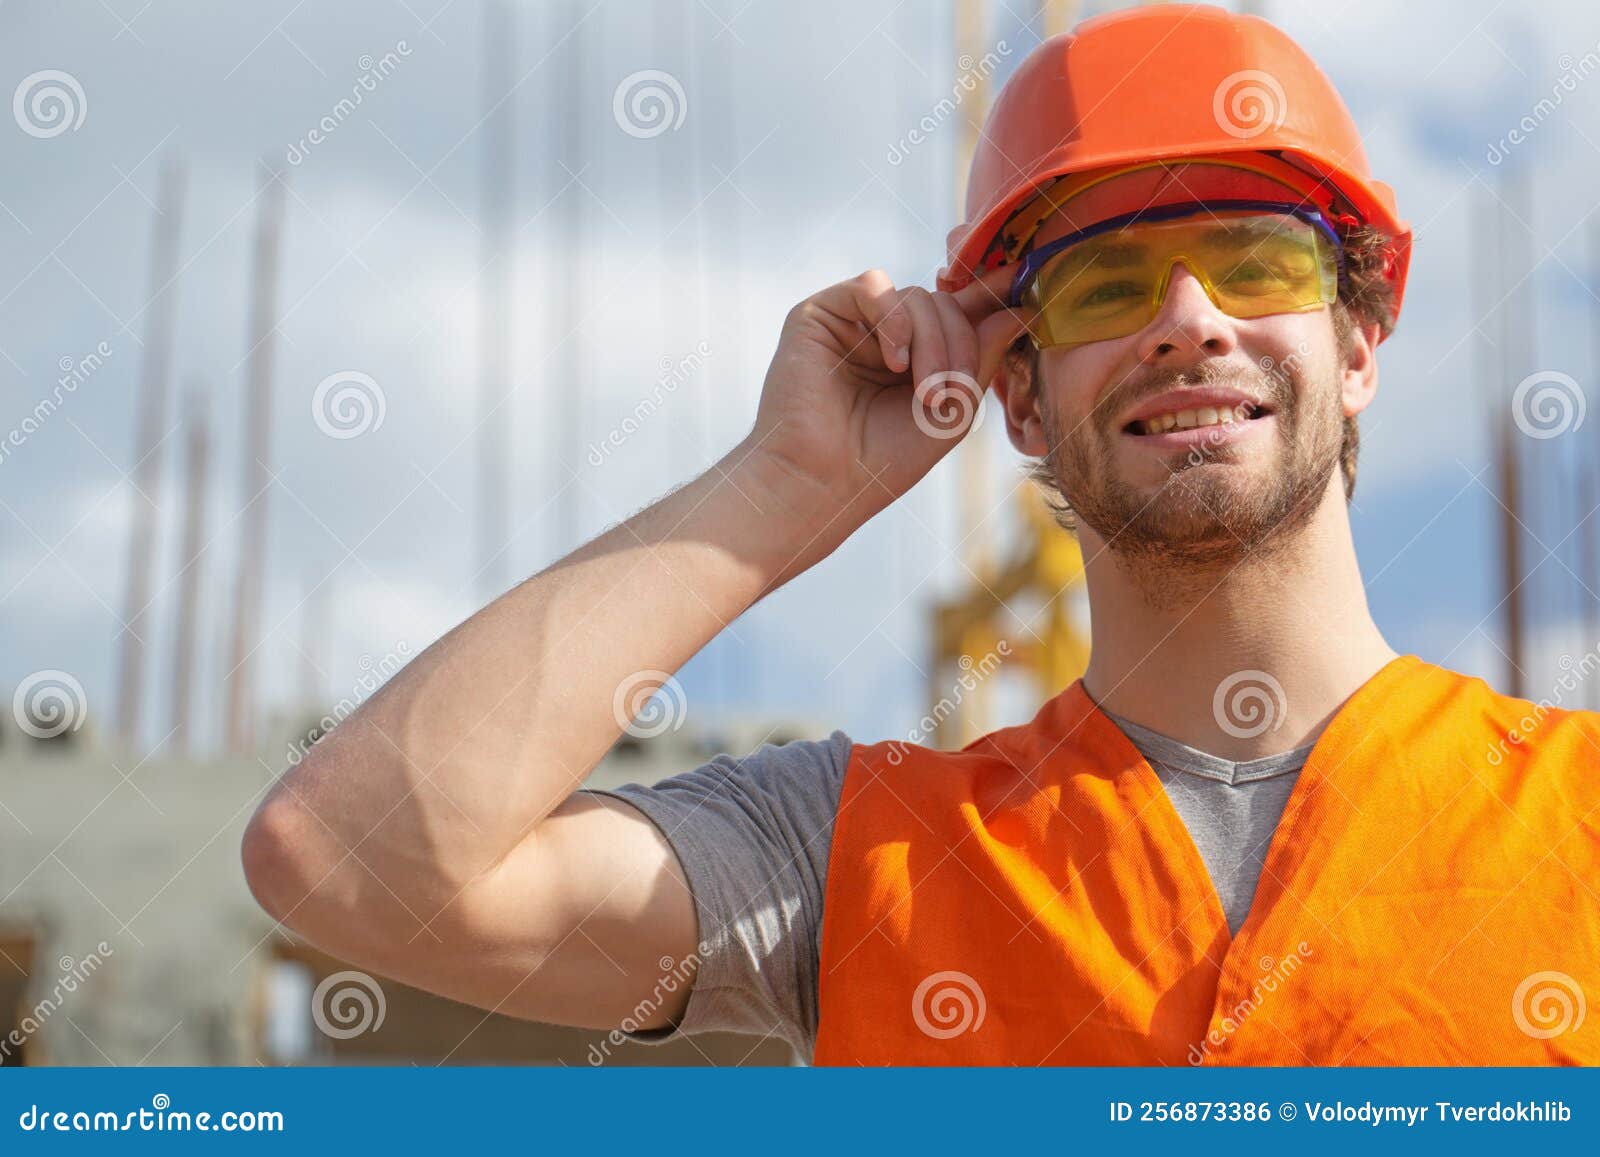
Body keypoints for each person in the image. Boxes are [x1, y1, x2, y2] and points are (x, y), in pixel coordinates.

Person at [241, 4, 1600, 1065]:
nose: (1189, 316)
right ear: (1015, 393)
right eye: (1103, 283)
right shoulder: (855, 856)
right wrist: (787, 485)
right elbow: (347, 860)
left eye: (1258, 258)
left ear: (1360, 340)